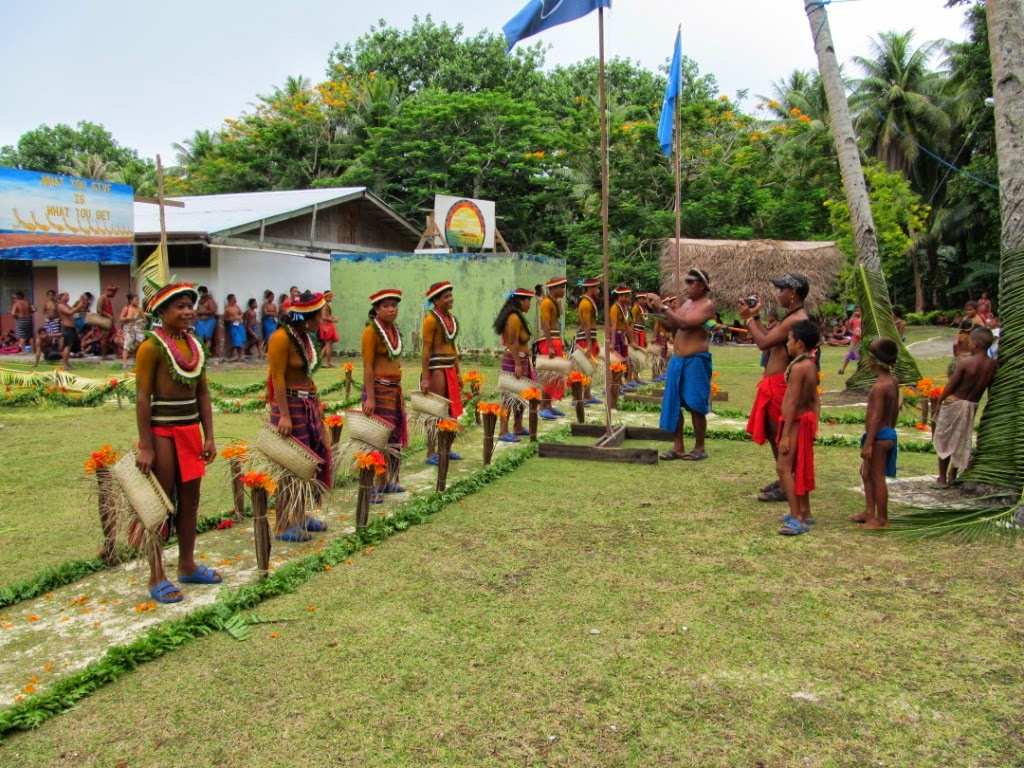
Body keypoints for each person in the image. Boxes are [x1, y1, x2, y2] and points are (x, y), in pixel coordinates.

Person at [134, 282, 219, 603]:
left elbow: (203, 393)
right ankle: (156, 574)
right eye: (180, 307)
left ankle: (186, 563)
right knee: (160, 504)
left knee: (191, 501)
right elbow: (142, 397)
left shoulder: (195, 345)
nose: (187, 312)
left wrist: (209, 435)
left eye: (189, 306)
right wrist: (146, 445)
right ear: (162, 312)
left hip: (189, 431)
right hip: (163, 432)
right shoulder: (151, 347)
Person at [739, 272, 812, 502]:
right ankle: (784, 478)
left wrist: (749, 320)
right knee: (773, 433)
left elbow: (762, 343)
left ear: (793, 294)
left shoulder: (795, 318)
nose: (779, 294)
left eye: (782, 290)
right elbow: (770, 338)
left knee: (781, 434)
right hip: (773, 382)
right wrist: (756, 317)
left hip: (781, 382)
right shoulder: (790, 316)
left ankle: (787, 479)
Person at [267, 291, 332, 538]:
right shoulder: (281, 338)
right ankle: (284, 523)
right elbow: (277, 378)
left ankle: (301, 515)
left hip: (307, 405)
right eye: (321, 315)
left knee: (307, 464)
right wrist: (284, 414)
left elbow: (306, 376)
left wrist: (317, 403)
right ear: (308, 318)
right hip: (290, 408)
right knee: (289, 465)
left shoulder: (304, 338)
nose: (324, 319)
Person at [647, 269, 716, 462]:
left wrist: (663, 307)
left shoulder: (707, 305)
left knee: (695, 405)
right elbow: (672, 326)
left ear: (702, 286)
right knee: (673, 404)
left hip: (696, 361)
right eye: (686, 281)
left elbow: (685, 325)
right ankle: (678, 447)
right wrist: (655, 308)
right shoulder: (687, 304)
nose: (687, 286)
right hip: (678, 361)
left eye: (691, 282)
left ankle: (700, 448)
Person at [933, 326, 996, 488]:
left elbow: (951, 386)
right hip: (972, 405)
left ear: (974, 344)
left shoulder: (966, 363)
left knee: (945, 439)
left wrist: (939, 401)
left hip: (955, 403)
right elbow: (990, 389)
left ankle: (942, 478)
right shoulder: (992, 365)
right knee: (961, 439)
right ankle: (953, 474)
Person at [361, 289, 408, 496]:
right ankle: (372, 485)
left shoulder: (394, 330)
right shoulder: (371, 331)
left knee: (393, 437)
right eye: (386, 306)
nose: (391, 309)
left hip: (393, 391)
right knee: (376, 439)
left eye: (394, 305)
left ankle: (388, 480)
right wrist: (370, 397)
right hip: (378, 391)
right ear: (377, 309)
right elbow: (368, 366)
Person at [776, 319, 821, 536]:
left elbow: (793, 402)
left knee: (783, 468)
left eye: (789, 341)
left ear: (800, 344)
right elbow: (815, 399)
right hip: (804, 421)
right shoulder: (811, 364)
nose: (787, 344)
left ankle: (797, 518)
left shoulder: (799, 368)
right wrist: (815, 426)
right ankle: (805, 511)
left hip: (795, 423)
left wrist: (785, 435)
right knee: (798, 467)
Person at [852, 338, 900, 529]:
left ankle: (882, 520)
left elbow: (876, 417)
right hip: (885, 434)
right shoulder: (892, 381)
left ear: (874, 360)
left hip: (879, 437)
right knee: (866, 473)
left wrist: (869, 442)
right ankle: (870, 512)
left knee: (877, 476)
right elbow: (895, 410)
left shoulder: (880, 387)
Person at [420, 281, 464, 465]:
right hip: (437, 369)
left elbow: (452, 347)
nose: (450, 299)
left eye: (450, 295)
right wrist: (425, 378)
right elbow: (426, 349)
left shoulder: (450, 319)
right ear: (436, 300)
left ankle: (446, 448)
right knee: (435, 411)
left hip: (451, 368)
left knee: (451, 411)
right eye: (445, 296)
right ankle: (431, 452)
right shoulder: (431, 320)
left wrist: (459, 372)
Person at [494, 288, 535, 442]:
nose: (529, 304)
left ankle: (517, 426)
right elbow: (513, 342)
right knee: (507, 397)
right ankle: (503, 432)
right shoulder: (513, 318)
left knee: (520, 395)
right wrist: (518, 364)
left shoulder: (518, 317)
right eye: (528, 300)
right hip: (513, 361)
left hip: (521, 360)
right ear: (520, 301)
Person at [538, 277, 568, 419]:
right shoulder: (546, 303)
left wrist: (559, 340)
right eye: (561, 287)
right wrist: (550, 345)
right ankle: (543, 406)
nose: (563, 290)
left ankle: (549, 405)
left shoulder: (554, 302)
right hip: (548, 342)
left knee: (555, 374)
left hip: (555, 339)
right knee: (548, 375)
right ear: (554, 288)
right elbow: (545, 324)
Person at [574, 277, 602, 404]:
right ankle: (579, 396)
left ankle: (587, 394)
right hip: (585, 340)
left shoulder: (589, 302)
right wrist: (590, 343)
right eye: (597, 288)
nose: (599, 291)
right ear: (590, 289)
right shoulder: (585, 303)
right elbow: (586, 324)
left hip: (590, 338)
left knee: (589, 367)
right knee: (584, 367)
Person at [609, 286, 637, 387]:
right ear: (619, 297)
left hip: (622, 336)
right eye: (626, 296)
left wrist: (632, 340)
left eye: (628, 296)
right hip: (615, 336)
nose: (628, 299)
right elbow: (613, 326)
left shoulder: (625, 309)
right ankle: (617, 382)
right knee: (617, 360)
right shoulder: (614, 308)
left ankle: (622, 381)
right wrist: (612, 342)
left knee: (624, 359)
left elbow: (627, 326)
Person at [119, 293, 146, 370]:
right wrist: (128, 318)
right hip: (129, 329)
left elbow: (144, 318)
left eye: (138, 299)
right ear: (131, 300)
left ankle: (137, 361)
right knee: (127, 345)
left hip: (138, 329)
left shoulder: (139, 309)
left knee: (138, 344)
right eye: (136, 300)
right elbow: (120, 319)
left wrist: (140, 321)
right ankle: (124, 364)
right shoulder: (126, 308)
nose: (138, 301)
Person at [57, 291, 82, 370]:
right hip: (67, 328)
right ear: (61, 297)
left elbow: (75, 312)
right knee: (67, 346)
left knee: (70, 346)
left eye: (68, 296)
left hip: (72, 328)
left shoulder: (66, 305)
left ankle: (67, 364)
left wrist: (80, 302)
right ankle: (64, 365)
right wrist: (79, 305)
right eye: (66, 296)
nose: (68, 297)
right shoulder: (60, 305)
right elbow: (70, 312)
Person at [95, 285, 118, 360]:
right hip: (105, 323)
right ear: (109, 291)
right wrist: (108, 315)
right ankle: (103, 355)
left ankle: (117, 353)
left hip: (109, 322)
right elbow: (99, 310)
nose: (114, 295)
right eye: (113, 293)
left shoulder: (107, 298)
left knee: (113, 335)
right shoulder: (102, 298)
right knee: (104, 338)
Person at [837, 307, 862, 375]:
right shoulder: (852, 320)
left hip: (861, 340)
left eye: (858, 311)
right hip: (854, 340)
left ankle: (859, 370)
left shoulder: (864, 320)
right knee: (849, 355)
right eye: (855, 311)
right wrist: (854, 333)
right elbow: (848, 329)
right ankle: (842, 369)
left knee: (859, 356)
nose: (856, 312)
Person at [318, 290, 339, 367]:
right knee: (328, 344)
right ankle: (327, 363)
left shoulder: (326, 305)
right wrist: (333, 320)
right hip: (327, 325)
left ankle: (319, 361)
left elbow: (326, 315)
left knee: (327, 345)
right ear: (325, 297)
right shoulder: (324, 305)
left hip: (327, 324)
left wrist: (332, 318)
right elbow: (323, 317)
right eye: (330, 297)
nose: (331, 298)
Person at [222, 294, 245, 362]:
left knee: (241, 340)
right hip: (233, 326)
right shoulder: (227, 308)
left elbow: (241, 313)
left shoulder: (237, 307)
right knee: (237, 341)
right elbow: (225, 318)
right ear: (231, 299)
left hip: (239, 325)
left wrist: (239, 317)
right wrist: (231, 319)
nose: (236, 299)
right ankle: (230, 355)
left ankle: (240, 357)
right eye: (234, 298)